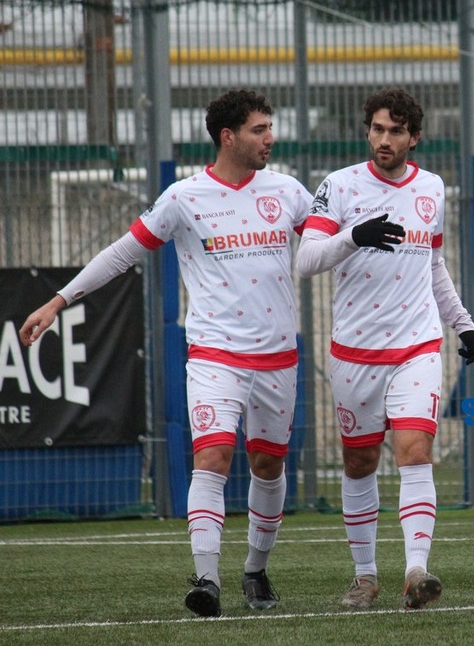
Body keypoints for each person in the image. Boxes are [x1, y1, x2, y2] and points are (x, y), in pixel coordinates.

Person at [19, 90, 312, 617]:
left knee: (269, 466)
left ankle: (255, 569)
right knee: (213, 457)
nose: (270, 138)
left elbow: (321, 246)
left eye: (270, 128)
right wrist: (58, 301)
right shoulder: (184, 198)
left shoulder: (289, 191)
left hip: (278, 357)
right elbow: (122, 253)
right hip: (214, 355)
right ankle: (206, 579)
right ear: (228, 136)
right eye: (259, 129)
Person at [296, 88, 474, 610]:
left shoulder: (432, 187)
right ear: (367, 131)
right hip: (354, 351)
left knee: (415, 452)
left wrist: (462, 324)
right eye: (377, 129)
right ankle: (364, 577)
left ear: (414, 138)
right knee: (358, 464)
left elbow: (434, 264)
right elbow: (308, 259)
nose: (385, 139)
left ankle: (416, 570)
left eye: (396, 131)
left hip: (417, 345)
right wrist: (353, 236)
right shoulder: (339, 186)